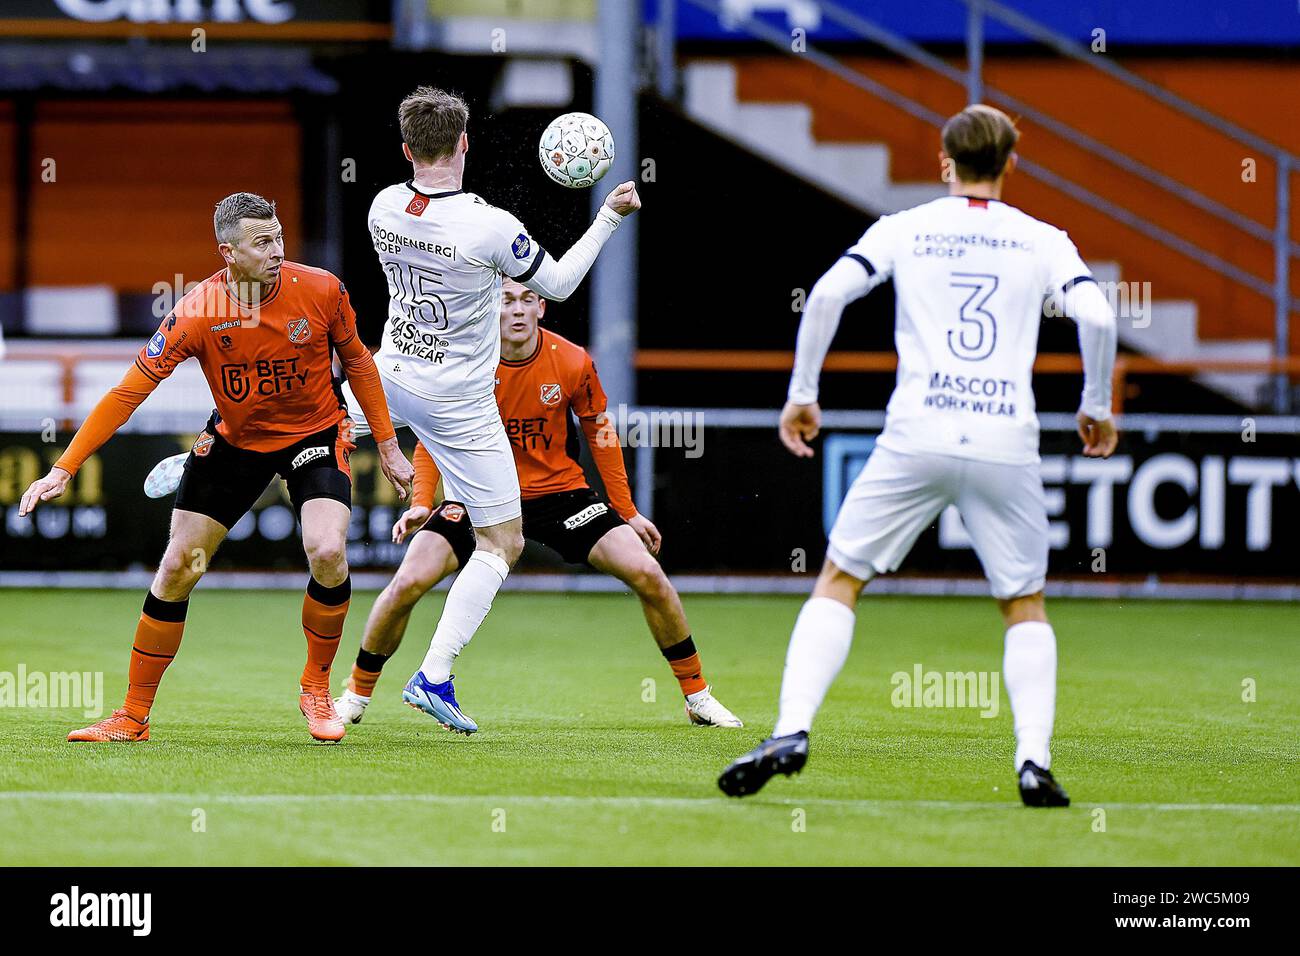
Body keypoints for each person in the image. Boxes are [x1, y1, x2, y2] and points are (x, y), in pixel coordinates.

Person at [717, 105, 1119, 805]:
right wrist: (1096, 405)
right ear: (1011, 163)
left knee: (840, 578)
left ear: (945, 162)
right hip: (1004, 437)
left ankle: (791, 729)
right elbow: (1100, 315)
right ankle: (1032, 761)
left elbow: (830, 292)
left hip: (918, 431)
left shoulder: (905, 228)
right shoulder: (1042, 239)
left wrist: (803, 393)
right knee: (1024, 602)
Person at [18, 192, 413, 743]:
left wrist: (390, 447)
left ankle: (316, 687)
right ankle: (131, 717)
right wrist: (64, 467)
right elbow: (128, 392)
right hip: (235, 443)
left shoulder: (322, 289)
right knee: (179, 566)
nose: (276, 250)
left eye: (278, 237)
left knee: (327, 551)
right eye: (262, 242)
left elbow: (359, 363)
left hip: (315, 436)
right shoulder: (196, 312)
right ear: (228, 252)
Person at [334, 279, 742, 731]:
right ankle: (355, 694)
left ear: (542, 307)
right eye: (506, 300)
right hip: (476, 499)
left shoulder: (571, 360)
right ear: (490, 307)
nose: (517, 310)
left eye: (527, 300)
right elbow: (436, 437)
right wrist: (423, 501)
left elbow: (601, 434)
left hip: (559, 496)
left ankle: (697, 695)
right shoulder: (466, 362)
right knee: (407, 581)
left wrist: (626, 510)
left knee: (648, 573)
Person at [365, 87, 640, 732]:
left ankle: (206, 456)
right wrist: (607, 216)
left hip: (392, 374)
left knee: (312, 427)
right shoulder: (491, 227)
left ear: (407, 149)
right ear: (465, 143)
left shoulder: (382, 207)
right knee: (502, 540)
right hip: (457, 399)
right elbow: (561, 286)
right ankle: (434, 674)